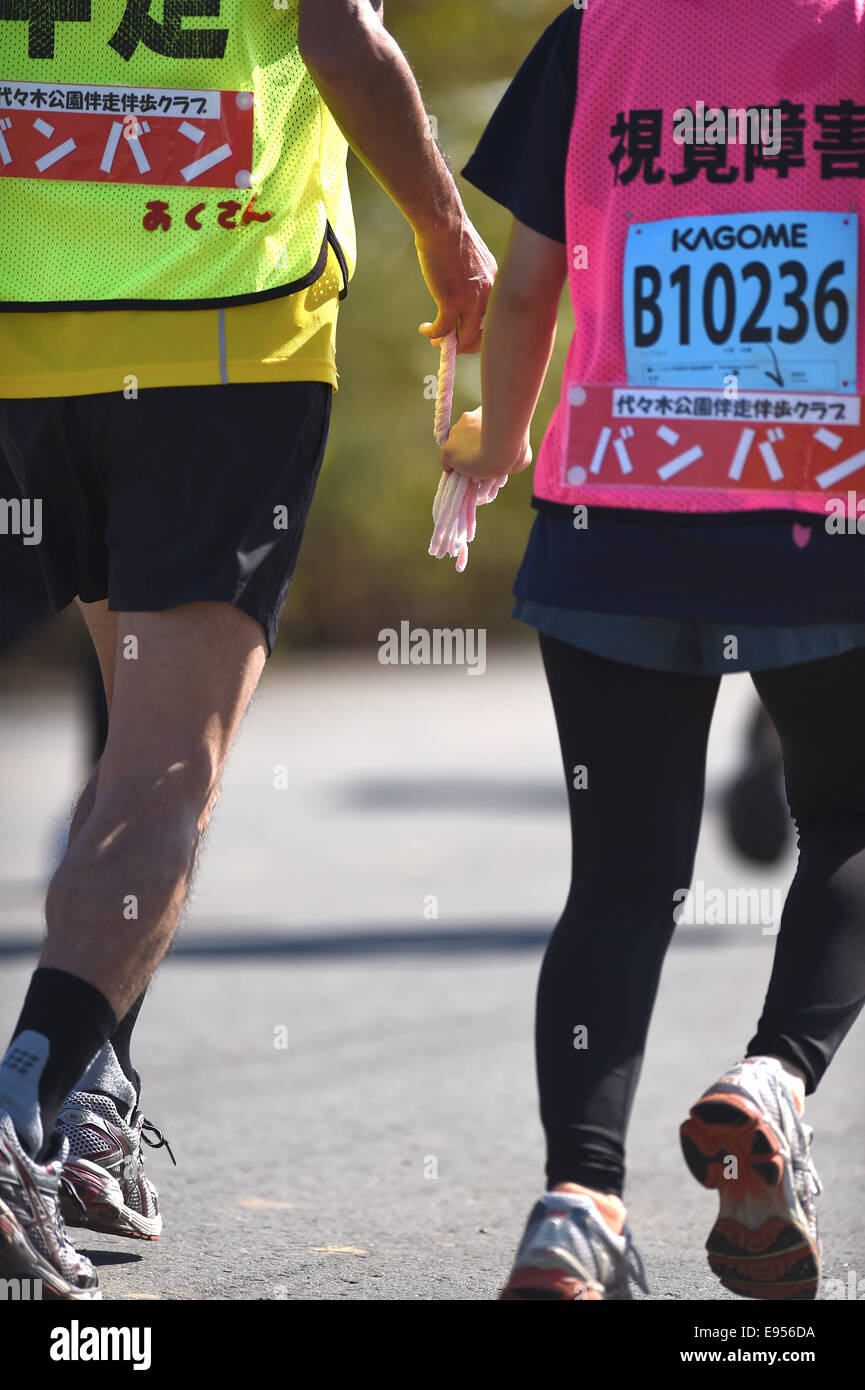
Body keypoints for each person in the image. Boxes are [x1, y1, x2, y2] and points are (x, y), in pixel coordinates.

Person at [0, 0, 494, 1299]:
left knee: (125, 747)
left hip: (24, 332)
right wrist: (447, 234)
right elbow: (338, 35)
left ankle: (90, 1090)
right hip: (226, 332)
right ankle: (29, 1100)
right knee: (166, 771)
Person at [441, 0, 865, 1300]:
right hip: (822, 506)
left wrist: (495, 446)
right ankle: (771, 1082)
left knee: (620, 881)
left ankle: (575, 1201)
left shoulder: (593, 33)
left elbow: (524, 284)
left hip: (615, 506)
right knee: (849, 824)